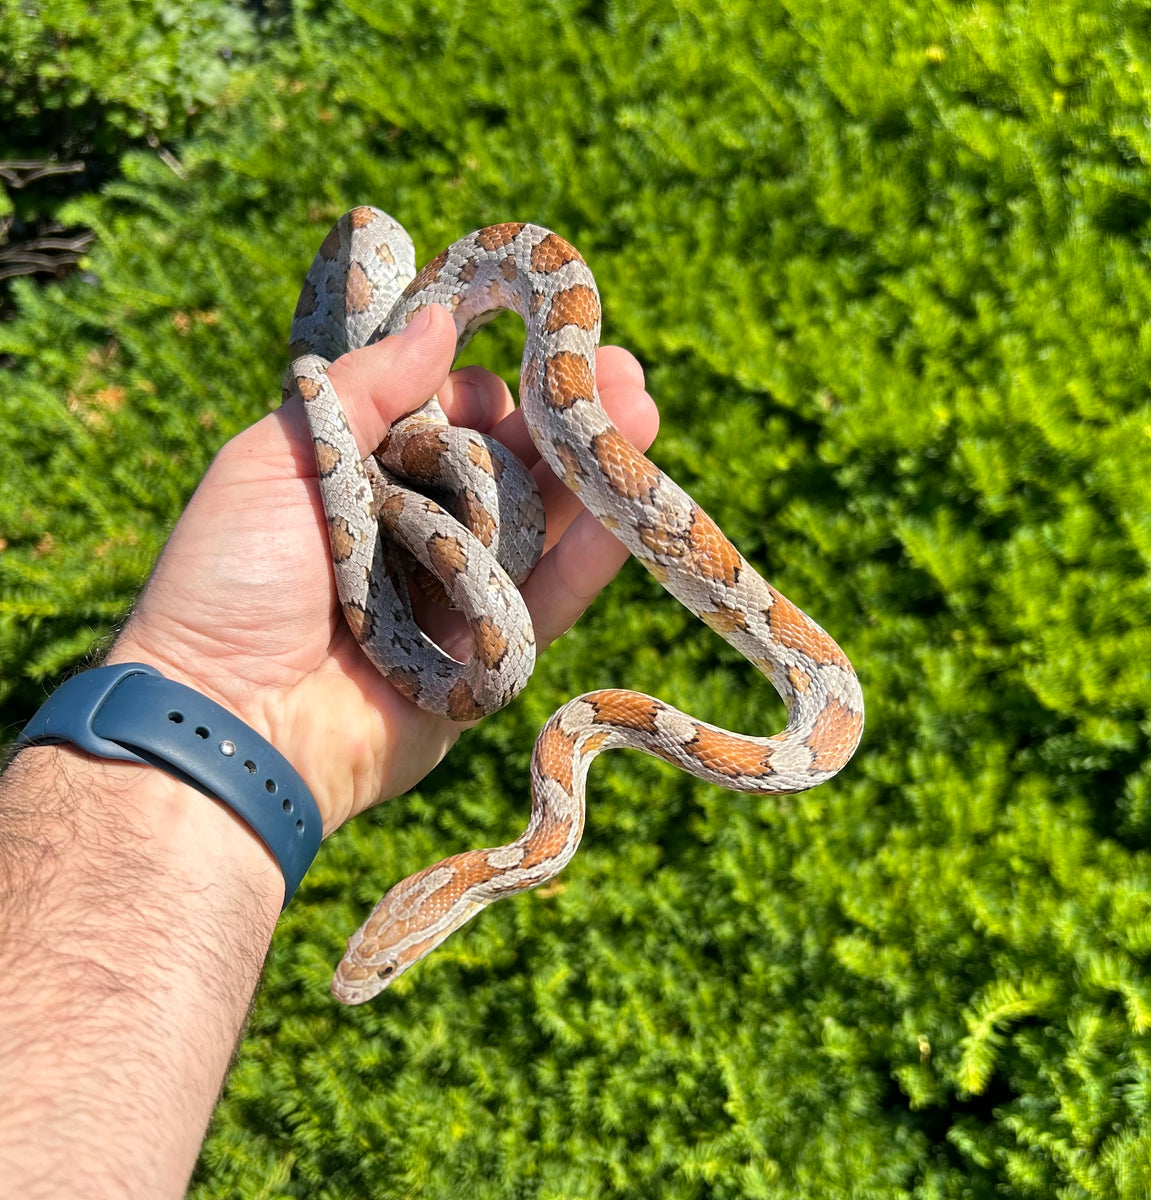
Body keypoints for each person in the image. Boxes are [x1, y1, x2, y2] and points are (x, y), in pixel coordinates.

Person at [0, 305, 657, 1198]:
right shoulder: (535, 780)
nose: (365, 974)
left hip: (410, 569)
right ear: (424, 907)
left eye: (377, 959)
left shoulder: (552, 747)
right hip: (380, 604)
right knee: (465, 464)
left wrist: (371, 485)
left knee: (469, 455)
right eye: (383, 958)